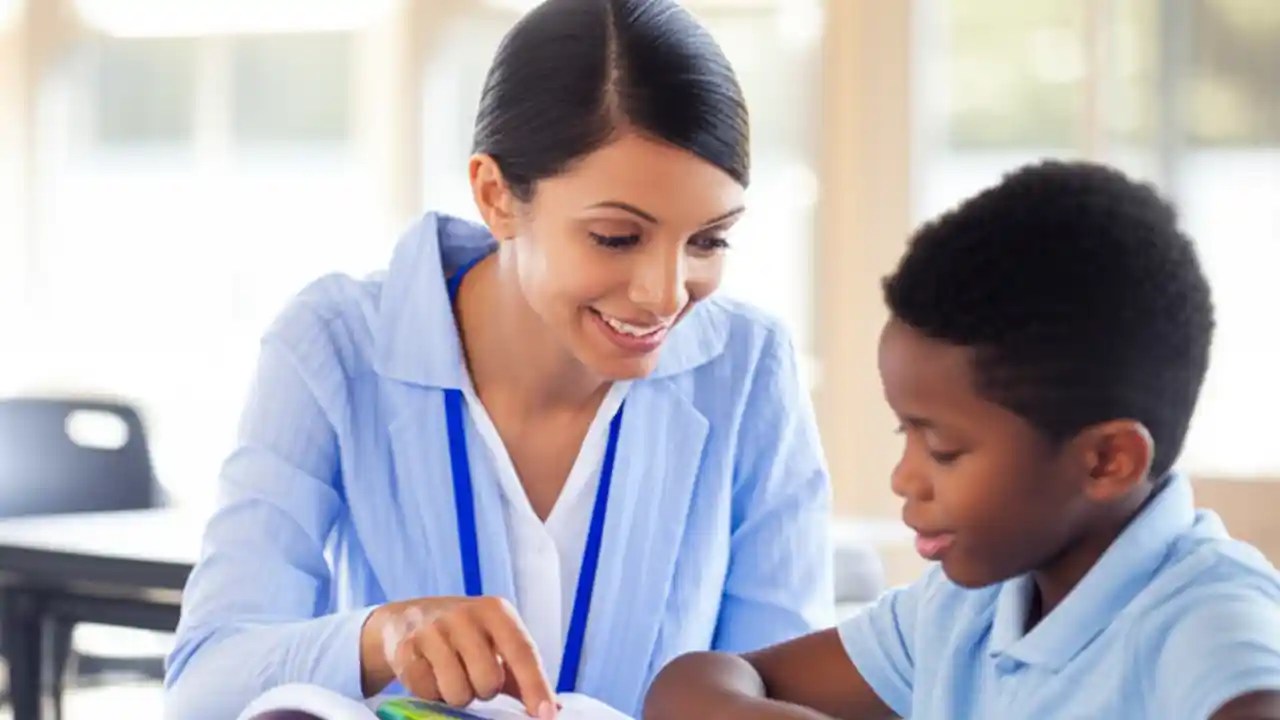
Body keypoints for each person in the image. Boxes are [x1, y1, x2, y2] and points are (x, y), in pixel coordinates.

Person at [163, 1, 834, 719]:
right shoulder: (335, 345)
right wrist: (383, 636)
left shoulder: (748, 366)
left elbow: (780, 684)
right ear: (495, 196)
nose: (664, 293)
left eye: (708, 241)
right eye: (615, 236)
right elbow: (204, 686)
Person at [642, 161, 1280, 720]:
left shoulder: (1207, 623)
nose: (905, 479)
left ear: (1106, 461)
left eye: (943, 450)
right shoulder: (963, 611)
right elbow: (694, 684)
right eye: (905, 433)